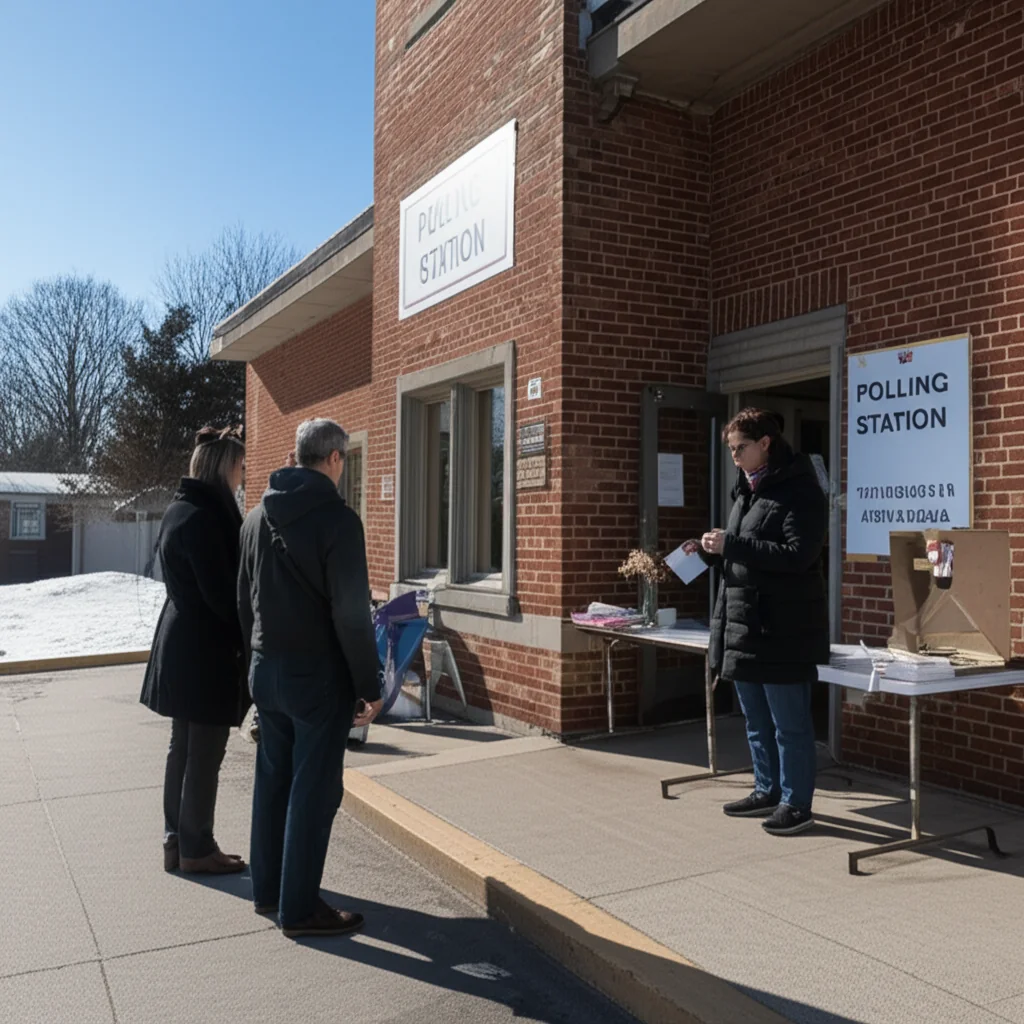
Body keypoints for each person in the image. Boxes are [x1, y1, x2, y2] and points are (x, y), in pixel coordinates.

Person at [238, 418, 383, 938]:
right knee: (314, 789)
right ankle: (298, 909)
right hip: (317, 679)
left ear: (297, 456)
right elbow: (350, 614)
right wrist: (370, 683)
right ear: (336, 459)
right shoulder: (339, 521)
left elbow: (243, 602)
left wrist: (251, 668)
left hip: (265, 669)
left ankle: (268, 891)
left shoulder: (255, 517)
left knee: (272, 782)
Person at [684, 408, 829, 837]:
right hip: (744, 623)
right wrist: (711, 551)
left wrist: (734, 544)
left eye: (740, 448)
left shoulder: (801, 490)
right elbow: (745, 552)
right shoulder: (747, 491)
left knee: (790, 723)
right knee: (756, 719)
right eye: (730, 450)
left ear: (765, 443)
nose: (734, 457)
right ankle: (766, 789)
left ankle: (796, 803)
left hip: (784, 627)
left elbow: (799, 556)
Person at [141, 426, 249, 874]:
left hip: (181, 643)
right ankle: (197, 847)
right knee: (204, 751)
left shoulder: (179, 510)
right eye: (240, 467)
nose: (243, 477)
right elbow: (222, 595)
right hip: (204, 652)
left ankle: (176, 840)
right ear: (224, 467)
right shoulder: (207, 517)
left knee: (182, 747)